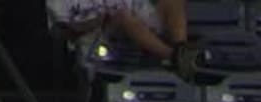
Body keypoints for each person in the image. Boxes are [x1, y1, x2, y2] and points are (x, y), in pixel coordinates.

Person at [46, 0, 200, 81]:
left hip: (137, 24)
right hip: (100, 38)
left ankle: (181, 50)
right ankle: (173, 57)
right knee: (123, 16)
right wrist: (93, 23)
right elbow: (60, 31)